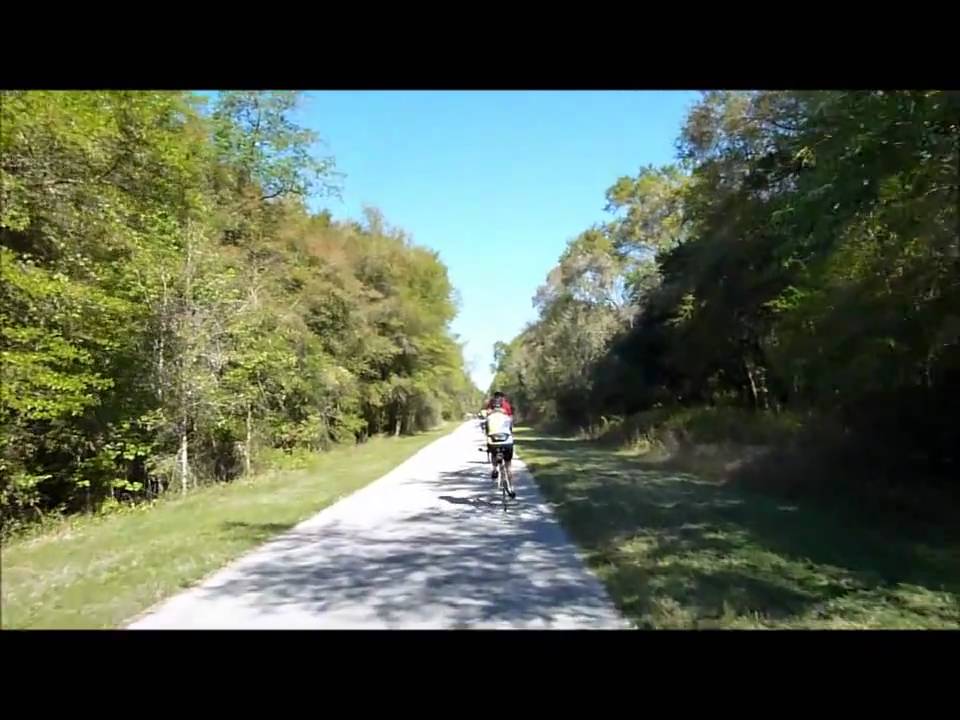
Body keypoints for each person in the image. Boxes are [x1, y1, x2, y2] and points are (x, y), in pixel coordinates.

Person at [484, 400, 516, 498]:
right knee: (508, 465)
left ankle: (494, 469)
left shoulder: (488, 418)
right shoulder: (507, 418)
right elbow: (511, 430)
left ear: (493, 408)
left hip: (493, 442)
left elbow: (487, 431)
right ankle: (511, 488)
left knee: (493, 453)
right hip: (507, 442)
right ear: (502, 408)